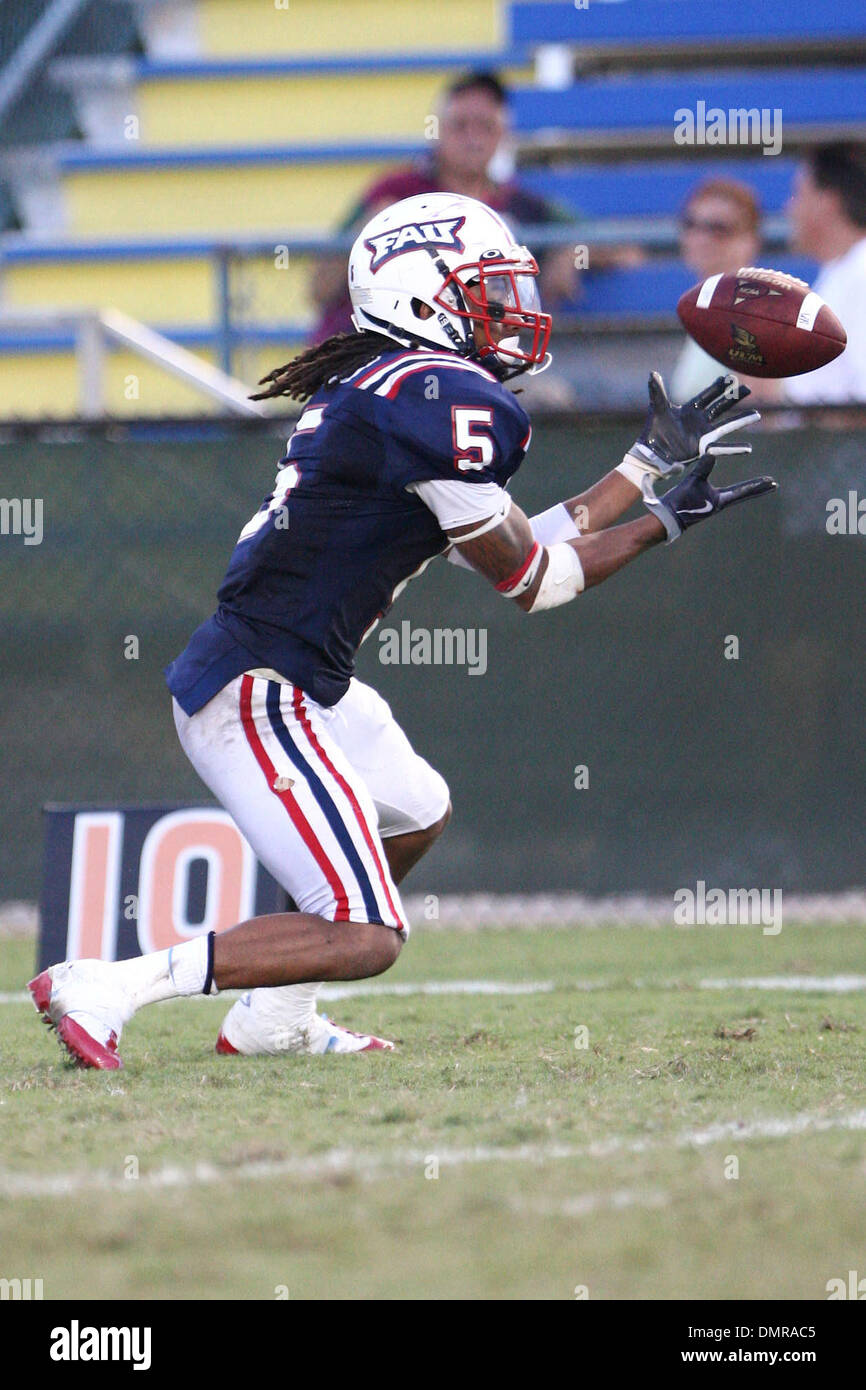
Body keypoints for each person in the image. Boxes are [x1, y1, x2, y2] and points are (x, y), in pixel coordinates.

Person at [28, 192, 775, 1069]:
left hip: (303, 679)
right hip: (260, 690)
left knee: (416, 809)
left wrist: (642, 469)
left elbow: (510, 543)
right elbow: (533, 582)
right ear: (425, 298)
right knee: (368, 932)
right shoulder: (434, 398)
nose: (514, 312)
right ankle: (107, 985)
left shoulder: (396, 390)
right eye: (489, 292)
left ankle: (274, 1021)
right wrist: (659, 524)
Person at [309, 69, 579, 344]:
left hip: (472, 357)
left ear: (503, 135)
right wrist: (365, 236)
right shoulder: (396, 193)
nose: (473, 138)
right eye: (461, 125)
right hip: (379, 351)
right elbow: (320, 289)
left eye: (486, 127)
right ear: (438, 131)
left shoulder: (522, 206)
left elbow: (610, 241)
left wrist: (569, 248)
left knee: (545, 388)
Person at [778, 142, 866, 405]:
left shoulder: (860, 276)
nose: (789, 208)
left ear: (828, 201)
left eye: (799, 194)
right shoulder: (841, 273)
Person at [670, 178, 763, 404]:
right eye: (691, 224)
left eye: (719, 228)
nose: (701, 238)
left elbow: (760, 409)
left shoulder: (751, 313)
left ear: (750, 241)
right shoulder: (710, 309)